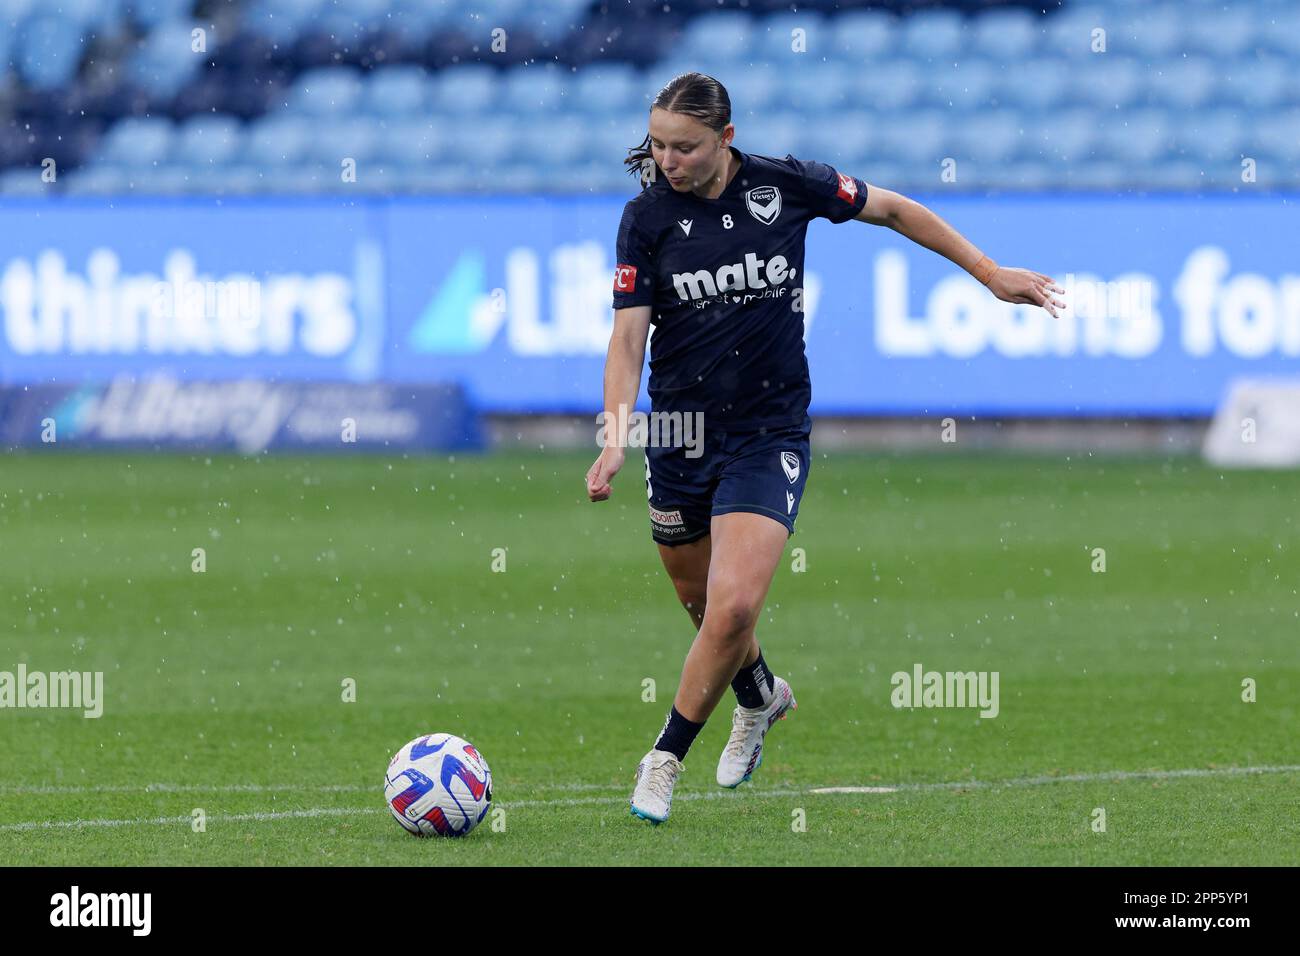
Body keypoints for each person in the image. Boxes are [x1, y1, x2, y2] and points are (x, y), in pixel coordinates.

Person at [586, 72, 1064, 824]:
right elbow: (627, 337)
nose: (667, 160)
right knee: (703, 605)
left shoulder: (787, 184)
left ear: (726, 139)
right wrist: (616, 434)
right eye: (658, 145)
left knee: (733, 606)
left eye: (685, 147)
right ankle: (761, 696)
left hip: (767, 430)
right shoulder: (645, 218)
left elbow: (894, 209)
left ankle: (665, 757)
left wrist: (989, 273)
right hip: (680, 435)